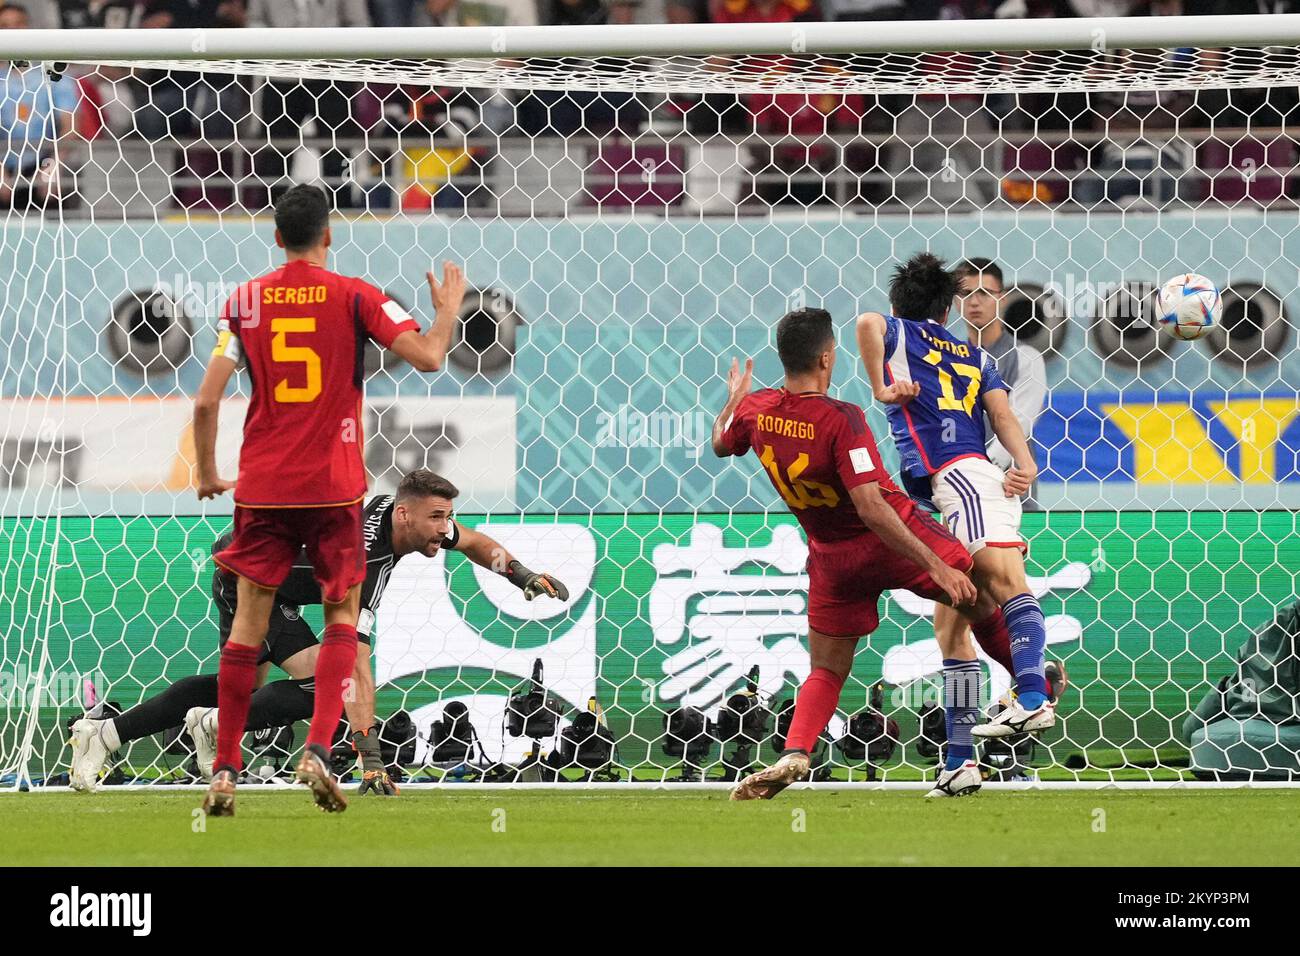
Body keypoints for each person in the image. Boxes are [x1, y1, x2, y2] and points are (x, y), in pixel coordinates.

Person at [190, 183, 462, 816]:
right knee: (343, 618)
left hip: (263, 487)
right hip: (335, 490)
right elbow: (427, 356)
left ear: (277, 237)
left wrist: (206, 469)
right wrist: (445, 309)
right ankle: (316, 749)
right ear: (329, 237)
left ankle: (225, 768)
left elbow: (206, 400)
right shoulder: (355, 297)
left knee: (248, 627)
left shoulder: (245, 302)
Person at [68, 470, 570, 794]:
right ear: (403, 514)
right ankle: (209, 724)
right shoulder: (364, 558)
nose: (446, 527)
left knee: (251, 687)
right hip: (247, 576)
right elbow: (355, 667)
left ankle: (105, 734)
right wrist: (370, 756)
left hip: (260, 570)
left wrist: (520, 574)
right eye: (437, 517)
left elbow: (476, 542)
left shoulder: (405, 524)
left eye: (447, 517)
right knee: (329, 682)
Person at [714, 307, 1023, 800]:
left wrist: (733, 399)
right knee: (979, 601)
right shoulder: (841, 419)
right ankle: (1030, 689)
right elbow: (873, 508)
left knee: (827, 669)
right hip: (892, 540)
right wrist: (936, 565)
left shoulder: (755, 410)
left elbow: (721, 444)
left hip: (831, 558)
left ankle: (796, 752)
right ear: (826, 356)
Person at [855, 253, 1056, 786]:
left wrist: (879, 385)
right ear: (947, 311)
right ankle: (959, 760)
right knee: (952, 625)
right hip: (963, 488)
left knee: (1007, 584)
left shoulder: (896, 331)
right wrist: (1028, 464)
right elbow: (1004, 414)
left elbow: (866, 323)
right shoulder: (973, 354)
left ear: (901, 305)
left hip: (962, 479)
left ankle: (1034, 694)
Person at [931, 258, 1065, 709]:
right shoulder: (941, 354)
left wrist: (970, 474)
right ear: (954, 301)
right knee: (953, 625)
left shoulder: (1022, 359)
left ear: (1002, 300)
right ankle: (976, 744)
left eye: (985, 293)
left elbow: (1016, 424)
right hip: (954, 498)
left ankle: (1027, 702)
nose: (976, 302)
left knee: (986, 608)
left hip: (997, 494)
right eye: (966, 294)